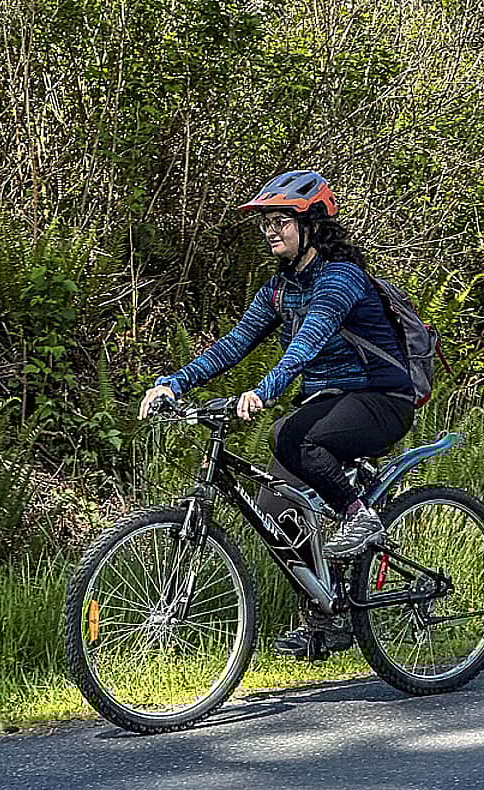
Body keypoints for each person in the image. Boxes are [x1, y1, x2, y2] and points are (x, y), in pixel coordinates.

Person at [138, 170, 416, 657]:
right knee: (275, 508)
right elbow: (236, 343)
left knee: (290, 435)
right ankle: (327, 618)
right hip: (326, 404)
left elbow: (307, 342)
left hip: (381, 400)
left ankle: (360, 515)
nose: (270, 230)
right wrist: (173, 382)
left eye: (281, 220)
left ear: (311, 224)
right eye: (265, 221)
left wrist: (264, 391)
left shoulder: (342, 277)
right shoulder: (279, 288)